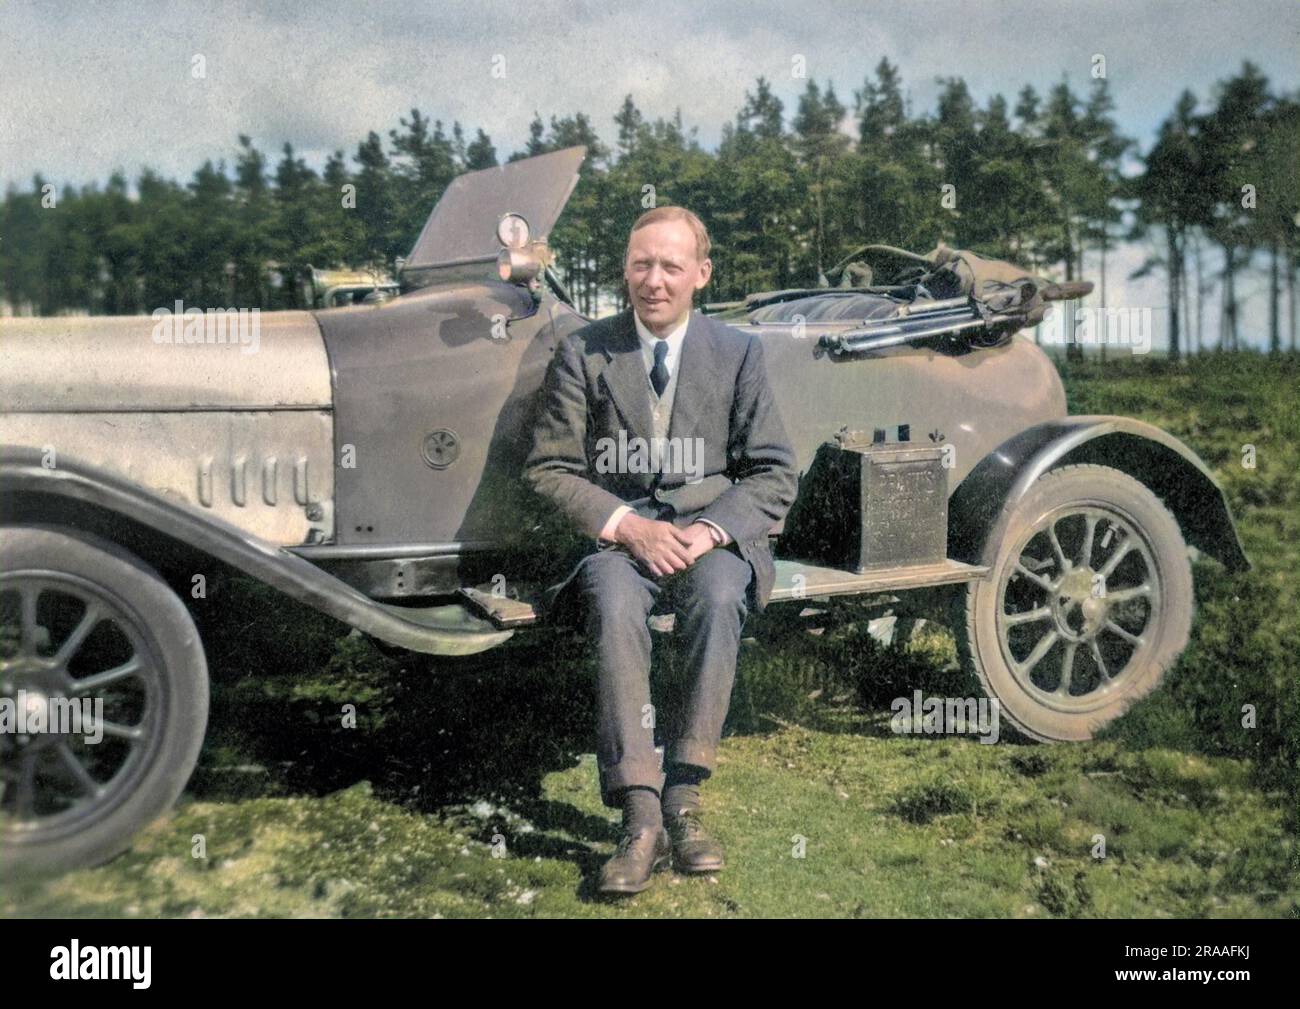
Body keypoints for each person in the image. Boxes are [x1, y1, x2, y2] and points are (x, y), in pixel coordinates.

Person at [524, 205, 798, 896]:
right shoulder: (583, 351)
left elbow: (773, 470)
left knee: (720, 592)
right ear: (625, 270)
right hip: (618, 540)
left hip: (709, 533)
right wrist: (625, 526)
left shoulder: (738, 353)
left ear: (700, 275)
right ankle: (640, 816)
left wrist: (709, 532)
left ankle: (685, 796)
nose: (654, 280)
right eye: (641, 264)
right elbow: (548, 469)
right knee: (612, 604)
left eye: (671, 266)